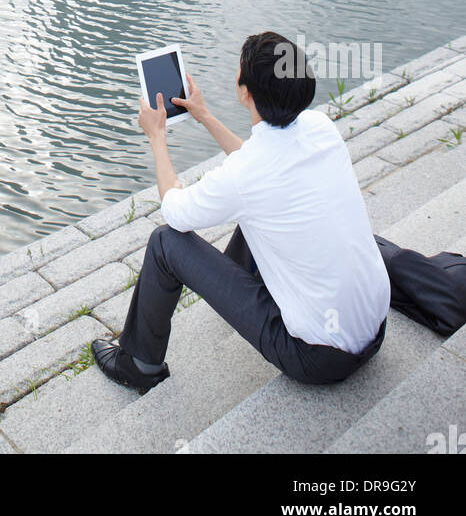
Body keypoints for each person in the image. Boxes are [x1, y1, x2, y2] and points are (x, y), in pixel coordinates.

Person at [93, 31, 390, 394]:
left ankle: (138, 365)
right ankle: (236, 285)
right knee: (265, 211)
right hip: (374, 329)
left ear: (244, 90)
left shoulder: (248, 175)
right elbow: (259, 162)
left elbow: (174, 211)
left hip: (316, 358)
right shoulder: (320, 128)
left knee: (165, 243)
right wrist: (204, 116)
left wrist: (157, 137)